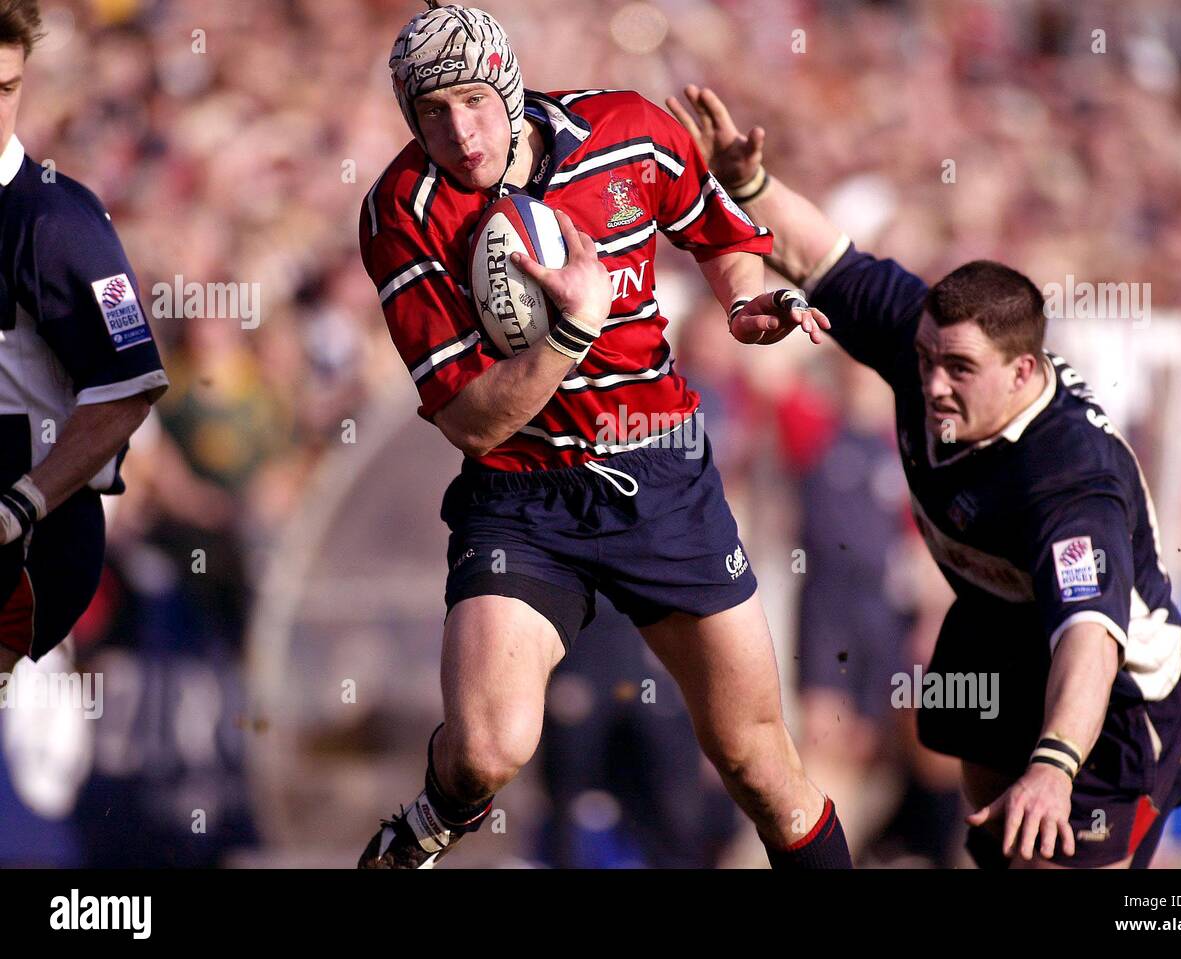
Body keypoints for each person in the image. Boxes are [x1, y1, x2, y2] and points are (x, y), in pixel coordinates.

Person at [668, 84, 1181, 868]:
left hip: (1111, 694)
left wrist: (1054, 765)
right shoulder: (926, 339)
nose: (933, 383)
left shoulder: (1069, 478)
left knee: (1043, 849)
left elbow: (1089, 640)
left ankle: (1157, 772)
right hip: (994, 626)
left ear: (1023, 372)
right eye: (928, 360)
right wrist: (749, 183)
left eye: (959, 368)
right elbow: (821, 256)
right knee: (993, 842)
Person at [356, 4, 850, 869]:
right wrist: (571, 330)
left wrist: (745, 301)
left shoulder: (631, 132)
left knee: (759, 763)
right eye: (431, 112)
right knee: (486, 750)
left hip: (660, 471)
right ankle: (435, 814)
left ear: (509, 88)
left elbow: (721, 235)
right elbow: (472, 423)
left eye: (473, 101)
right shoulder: (402, 208)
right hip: (521, 493)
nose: (460, 133)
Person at [0, 0, 169, 685]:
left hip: (28, 541)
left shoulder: (55, 219)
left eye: (6, 89)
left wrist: (19, 506)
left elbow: (127, 391)